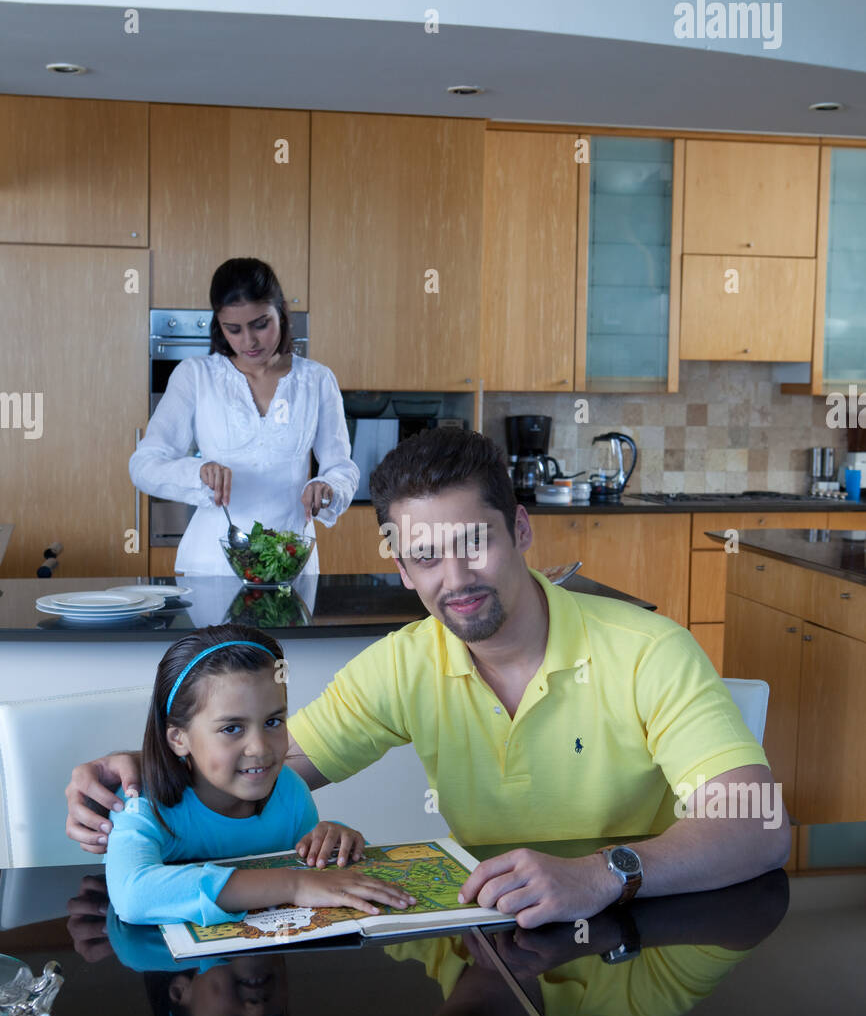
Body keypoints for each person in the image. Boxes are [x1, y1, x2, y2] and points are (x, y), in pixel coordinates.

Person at [68, 429, 791, 926]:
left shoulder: (649, 650)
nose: (455, 581)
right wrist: (156, 771)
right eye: (424, 557)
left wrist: (603, 873)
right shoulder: (405, 662)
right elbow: (261, 766)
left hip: (645, 933)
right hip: (494, 937)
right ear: (401, 565)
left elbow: (759, 829)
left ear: (521, 528)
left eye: (473, 544)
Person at [104, 623, 414, 926]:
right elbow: (133, 894)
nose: (259, 748)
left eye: (273, 722)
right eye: (232, 728)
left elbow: (313, 874)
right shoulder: (141, 801)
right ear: (178, 738)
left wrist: (333, 843)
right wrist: (293, 884)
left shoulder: (289, 792)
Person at [130, 257, 359, 575]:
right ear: (219, 325)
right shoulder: (195, 376)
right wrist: (199, 472)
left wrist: (328, 486)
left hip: (290, 561)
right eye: (233, 329)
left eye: (260, 324)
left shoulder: (317, 380)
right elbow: (143, 466)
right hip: (211, 564)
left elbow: (341, 468)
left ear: (280, 311)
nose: (248, 341)